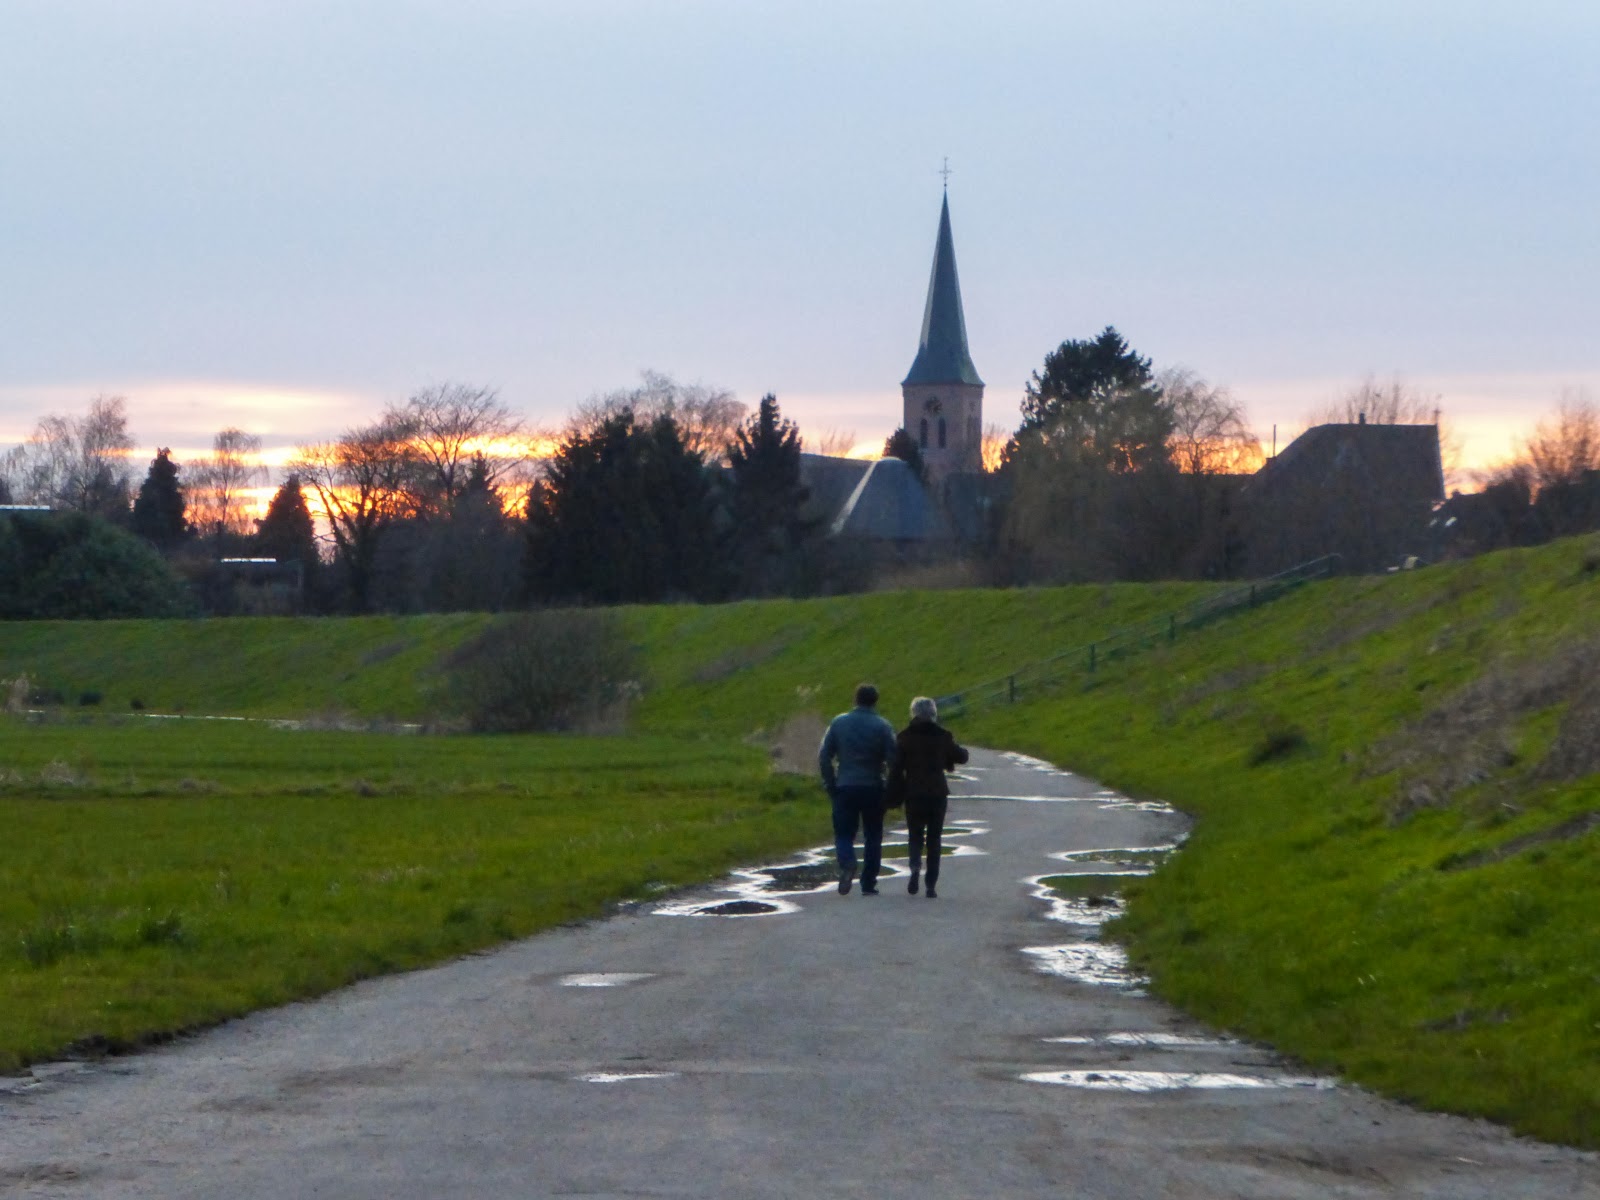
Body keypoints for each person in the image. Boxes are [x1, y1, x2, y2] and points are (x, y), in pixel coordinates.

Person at [818, 683, 897, 896]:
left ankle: (847, 862)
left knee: (843, 832)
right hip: (873, 786)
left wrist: (830, 782)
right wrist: (891, 787)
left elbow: (824, 756)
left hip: (845, 785)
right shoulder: (882, 725)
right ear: (875, 701)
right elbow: (894, 759)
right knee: (873, 835)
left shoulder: (839, 723)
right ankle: (868, 882)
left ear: (855, 699)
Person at [885, 696, 968, 899]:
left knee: (915, 835)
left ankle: (914, 866)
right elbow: (962, 756)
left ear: (913, 713)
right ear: (933, 713)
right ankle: (930, 885)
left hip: (913, 793)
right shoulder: (943, 735)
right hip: (937, 793)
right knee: (934, 839)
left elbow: (895, 768)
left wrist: (891, 793)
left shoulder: (904, 737)